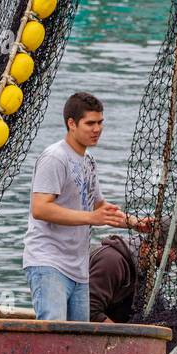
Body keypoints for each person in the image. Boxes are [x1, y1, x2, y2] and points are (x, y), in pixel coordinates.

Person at [23, 92, 129, 321]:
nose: (97, 129)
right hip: (48, 262)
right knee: (55, 339)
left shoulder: (88, 160)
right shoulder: (55, 158)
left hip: (79, 269)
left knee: (80, 341)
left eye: (100, 123)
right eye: (90, 123)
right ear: (71, 124)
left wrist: (135, 223)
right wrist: (91, 217)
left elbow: (99, 206)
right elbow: (40, 209)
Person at [88, 221, 177, 323]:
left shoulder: (144, 268)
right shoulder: (111, 262)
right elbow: (90, 311)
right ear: (156, 246)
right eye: (176, 250)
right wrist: (125, 337)